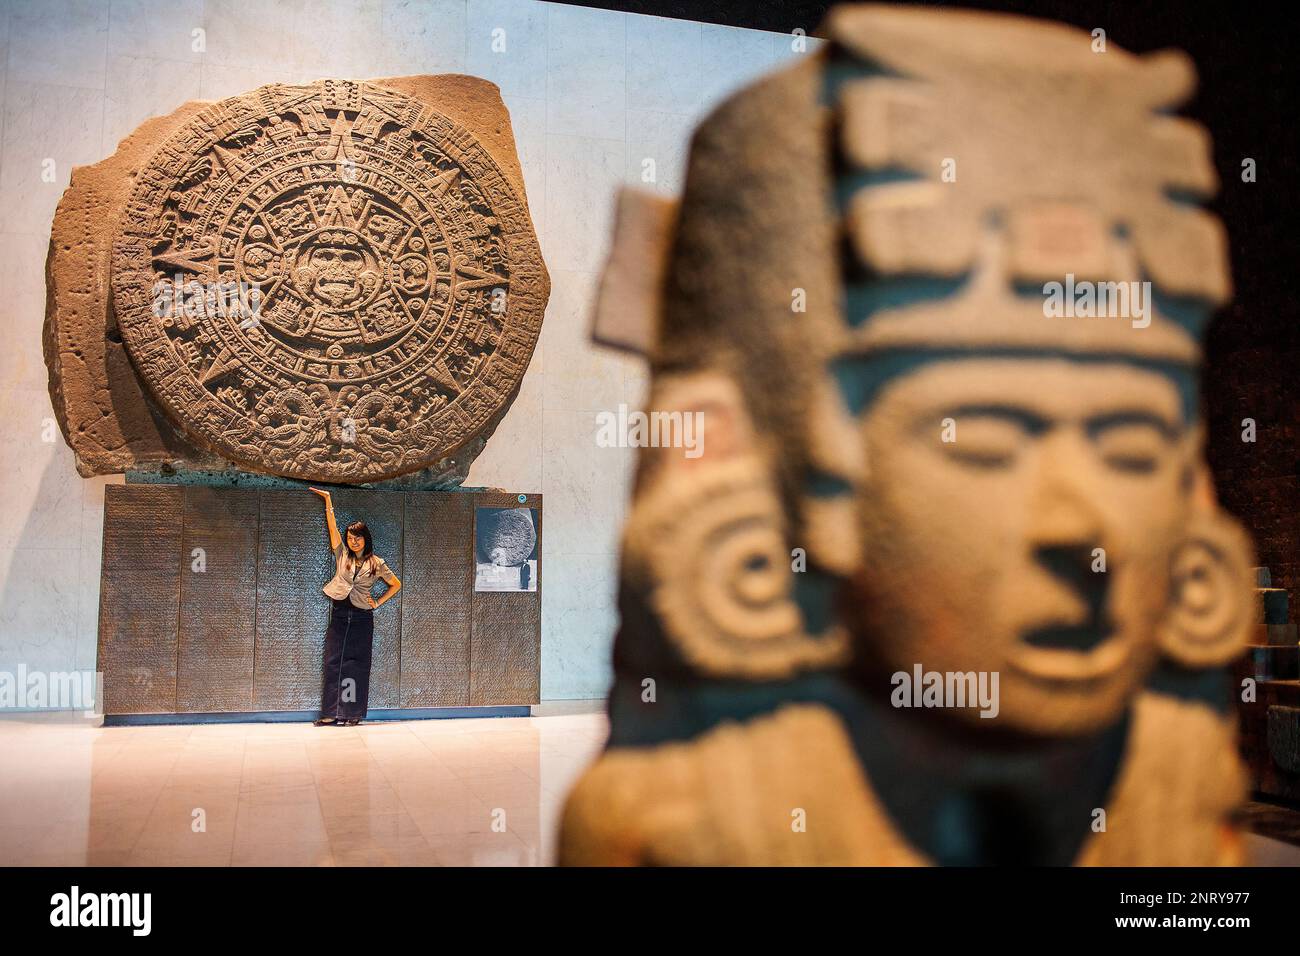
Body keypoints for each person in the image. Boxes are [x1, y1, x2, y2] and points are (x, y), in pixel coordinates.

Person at [309, 487, 402, 726]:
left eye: (357, 537)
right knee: (334, 662)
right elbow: (332, 527)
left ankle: (352, 714)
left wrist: (378, 602)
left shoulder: (376, 562)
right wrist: (328, 501)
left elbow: (396, 584)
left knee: (357, 664)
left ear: (365, 538)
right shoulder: (342, 554)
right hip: (340, 613)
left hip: (362, 617)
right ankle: (331, 713)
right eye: (350, 537)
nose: (353, 541)